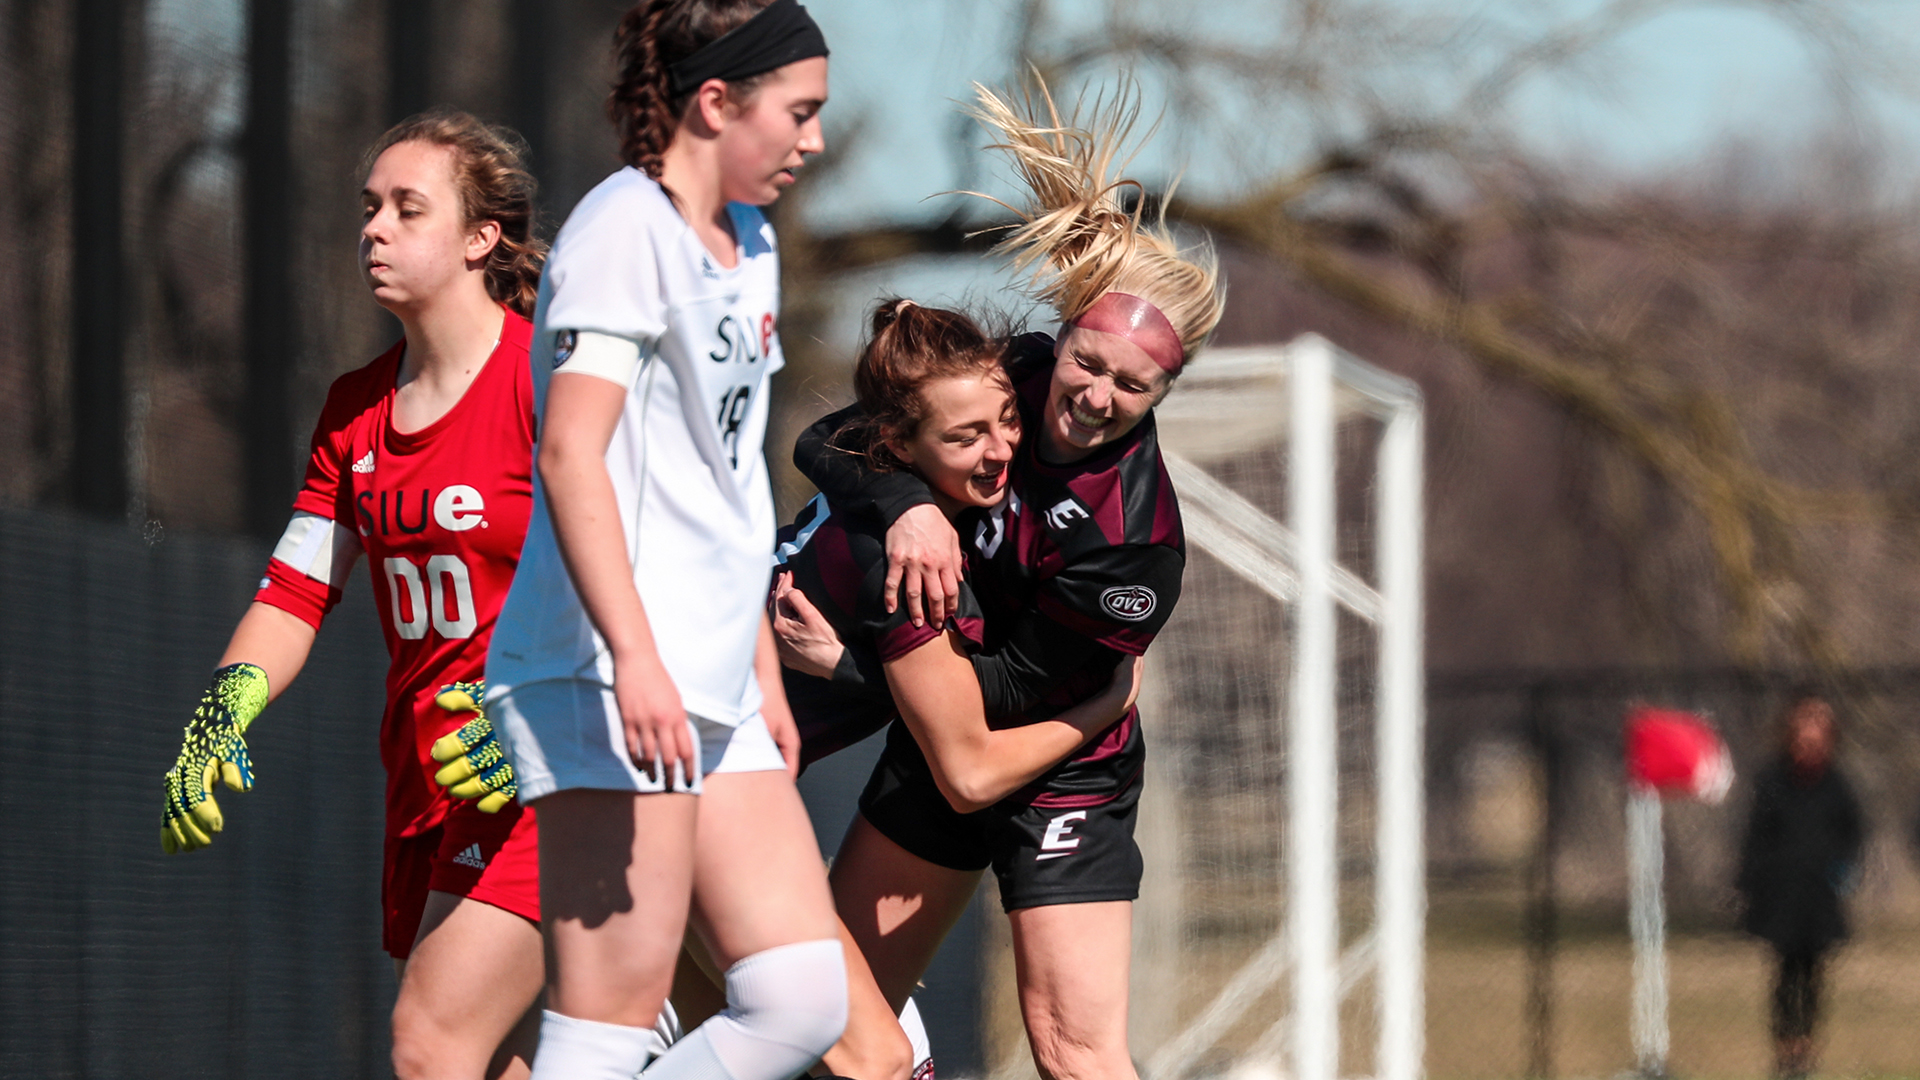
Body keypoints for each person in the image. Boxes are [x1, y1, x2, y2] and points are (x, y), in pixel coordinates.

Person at [783, 77, 1224, 1080]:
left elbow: (997, 706)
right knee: (838, 1034)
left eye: (1134, 385)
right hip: (940, 720)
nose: (1096, 395)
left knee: (1073, 1051)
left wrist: (855, 673)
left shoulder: (1134, 548)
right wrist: (909, 508)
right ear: (1061, 335)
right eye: (1089, 361)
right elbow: (830, 440)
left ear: (1166, 392)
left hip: (1058, 760)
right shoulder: (1009, 376)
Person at [480, 4, 846, 1080]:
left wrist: (757, 665)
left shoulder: (752, 237)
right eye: (800, 113)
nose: (813, 141)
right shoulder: (621, 232)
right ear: (716, 101)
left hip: (711, 676)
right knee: (607, 1023)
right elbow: (569, 455)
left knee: (800, 998)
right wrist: (636, 657)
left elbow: (728, 480)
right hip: (608, 671)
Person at [157, 109, 550, 1079]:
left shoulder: (547, 380)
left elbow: (642, 578)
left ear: (479, 236)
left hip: (551, 776)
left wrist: (531, 727)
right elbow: (293, 593)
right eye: (368, 207)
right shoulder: (354, 410)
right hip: (431, 786)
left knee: (430, 1043)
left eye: (406, 209)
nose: (372, 228)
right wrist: (222, 707)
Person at [767, 298, 1145, 1080]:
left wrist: (849, 668)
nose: (1004, 450)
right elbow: (968, 772)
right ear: (897, 444)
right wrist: (1095, 713)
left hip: (706, 791)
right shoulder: (908, 569)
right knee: (874, 1059)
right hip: (700, 801)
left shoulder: (895, 498)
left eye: (1006, 419)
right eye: (965, 435)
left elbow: (823, 442)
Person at [1736, 689, 1865, 1079]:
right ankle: (1783, 1051)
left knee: (1812, 976)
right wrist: (1750, 883)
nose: (1809, 739)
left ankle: (1804, 1051)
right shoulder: (1773, 781)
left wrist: (1842, 871)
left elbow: (1853, 833)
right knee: (1783, 974)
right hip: (1781, 896)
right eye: (1803, 728)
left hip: (1818, 898)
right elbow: (1756, 837)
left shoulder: (1838, 786)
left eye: (1818, 730)